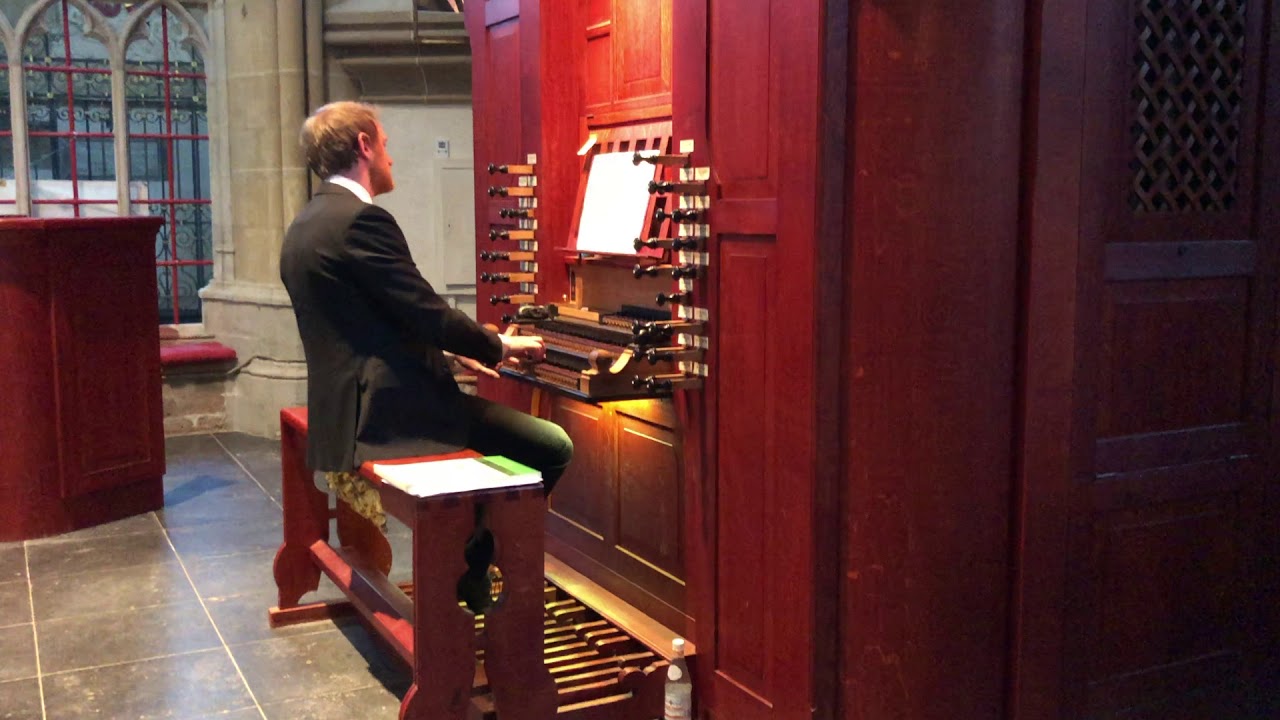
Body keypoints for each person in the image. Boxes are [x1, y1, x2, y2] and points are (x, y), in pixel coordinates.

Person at [280, 101, 573, 610]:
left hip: (343, 412)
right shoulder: (362, 221)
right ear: (364, 146)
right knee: (551, 446)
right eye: (386, 145)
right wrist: (499, 344)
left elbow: (370, 321)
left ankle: (472, 559)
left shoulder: (306, 222)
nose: (391, 158)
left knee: (507, 442)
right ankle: (472, 570)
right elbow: (424, 308)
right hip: (391, 417)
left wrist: (452, 354)